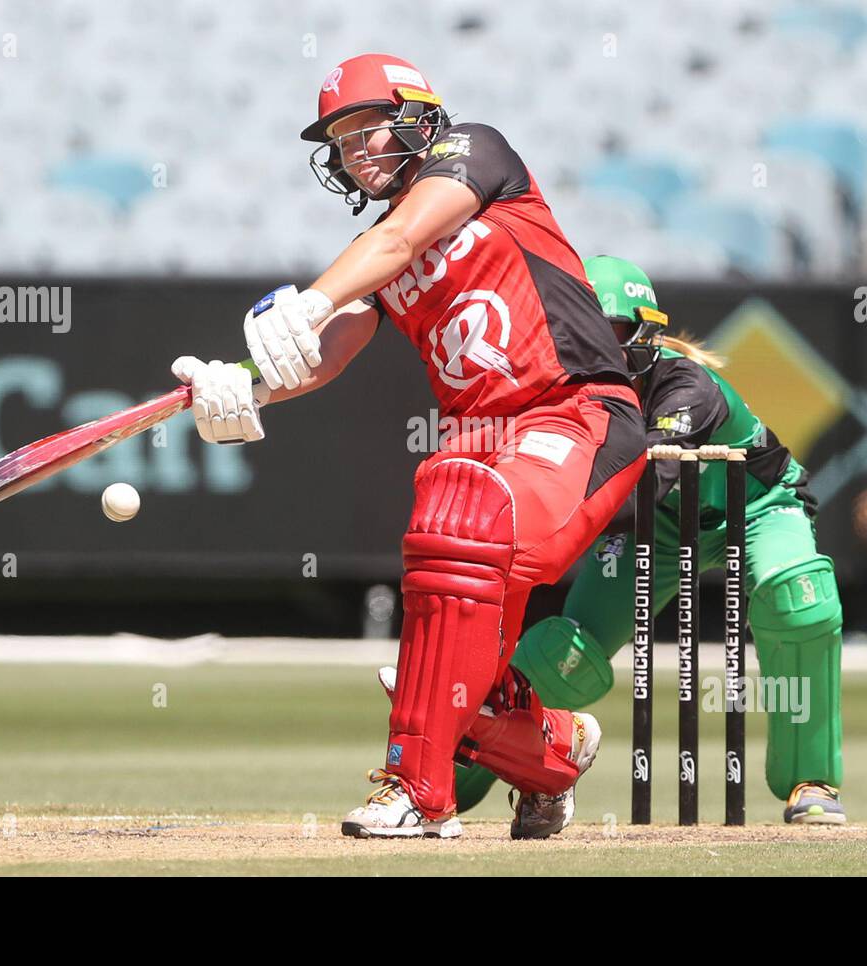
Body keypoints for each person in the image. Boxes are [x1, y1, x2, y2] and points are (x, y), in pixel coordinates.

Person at [169, 54, 646, 838]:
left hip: (575, 416)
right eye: (341, 142)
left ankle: (418, 793)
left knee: (457, 526)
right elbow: (326, 354)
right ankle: (556, 752)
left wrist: (313, 298)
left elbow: (396, 243)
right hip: (483, 447)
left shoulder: (478, 154)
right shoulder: (383, 248)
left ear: (419, 114)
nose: (356, 152)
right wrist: (244, 385)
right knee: (465, 670)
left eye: (367, 129)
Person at [384, 256, 847, 824]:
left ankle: (812, 781)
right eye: (583, 330)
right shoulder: (555, 387)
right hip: (660, 524)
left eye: (616, 333)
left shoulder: (686, 387)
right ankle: (447, 780)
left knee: (795, 597)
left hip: (751, 504)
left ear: (648, 334)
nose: (598, 346)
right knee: (562, 654)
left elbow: (631, 497)